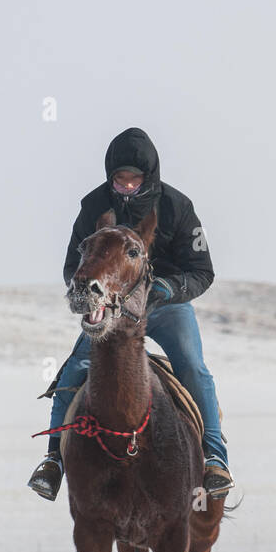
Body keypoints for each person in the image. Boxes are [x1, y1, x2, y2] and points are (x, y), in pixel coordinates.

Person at [27, 127, 234, 501]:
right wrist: (89, 297)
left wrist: (168, 289)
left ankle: (216, 461)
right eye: (119, 179)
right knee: (73, 369)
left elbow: (203, 271)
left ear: (149, 177)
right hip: (112, 310)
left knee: (192, 365)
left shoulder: (177, 206)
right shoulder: (93, 206)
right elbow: (74, 263)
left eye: (133, 179)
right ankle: (52, 461)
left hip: (164, 305)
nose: (125, 186)